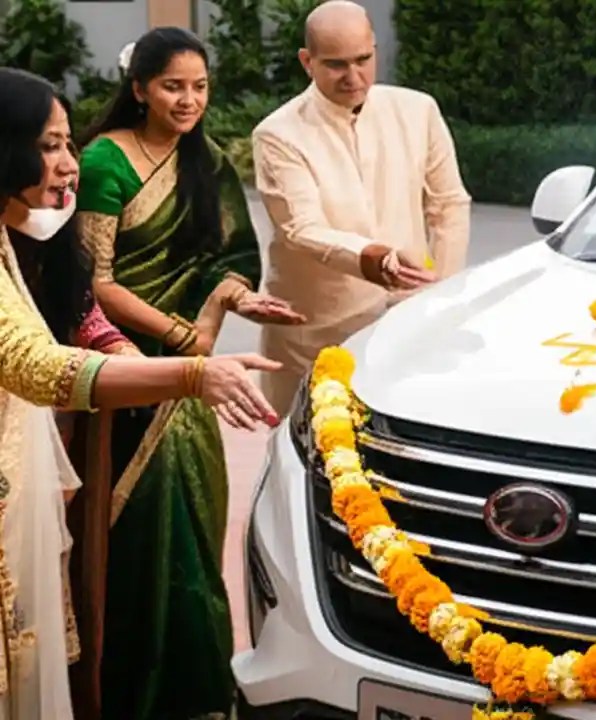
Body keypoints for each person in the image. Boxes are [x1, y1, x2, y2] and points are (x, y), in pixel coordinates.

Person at [0, 66, 279, 719]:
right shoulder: (96, 174)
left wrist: (132, 357)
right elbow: (34, 362)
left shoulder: (29, 231)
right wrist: (189, 371)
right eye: (48, 146)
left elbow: (79, 311)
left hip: (60, 438)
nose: (68, 165)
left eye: (68, 143)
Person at [72, 28, 303, 720]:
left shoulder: (207, 164)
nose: (189, 100)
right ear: (138, 88)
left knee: (198, 528)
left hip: (188, 375)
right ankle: (130, 695)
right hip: (124, 372)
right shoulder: (105, 161)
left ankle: (196, 691)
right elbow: (96, 282)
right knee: (142, 533)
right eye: (174, 86)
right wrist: (182, 341)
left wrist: (233, 297)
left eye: (199, 87)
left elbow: (227, 256)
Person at [252, 0, 472, 414]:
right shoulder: (278, 134)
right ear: (307, 61)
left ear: (375, 49)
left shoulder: (417, 110)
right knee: (309, 456)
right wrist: (373, 258)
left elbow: (449, 205)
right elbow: (302, 228)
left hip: (405, 322)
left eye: (363, 59)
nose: (353, 77)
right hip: (314, 330)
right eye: (336, 64)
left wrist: (439, 288)